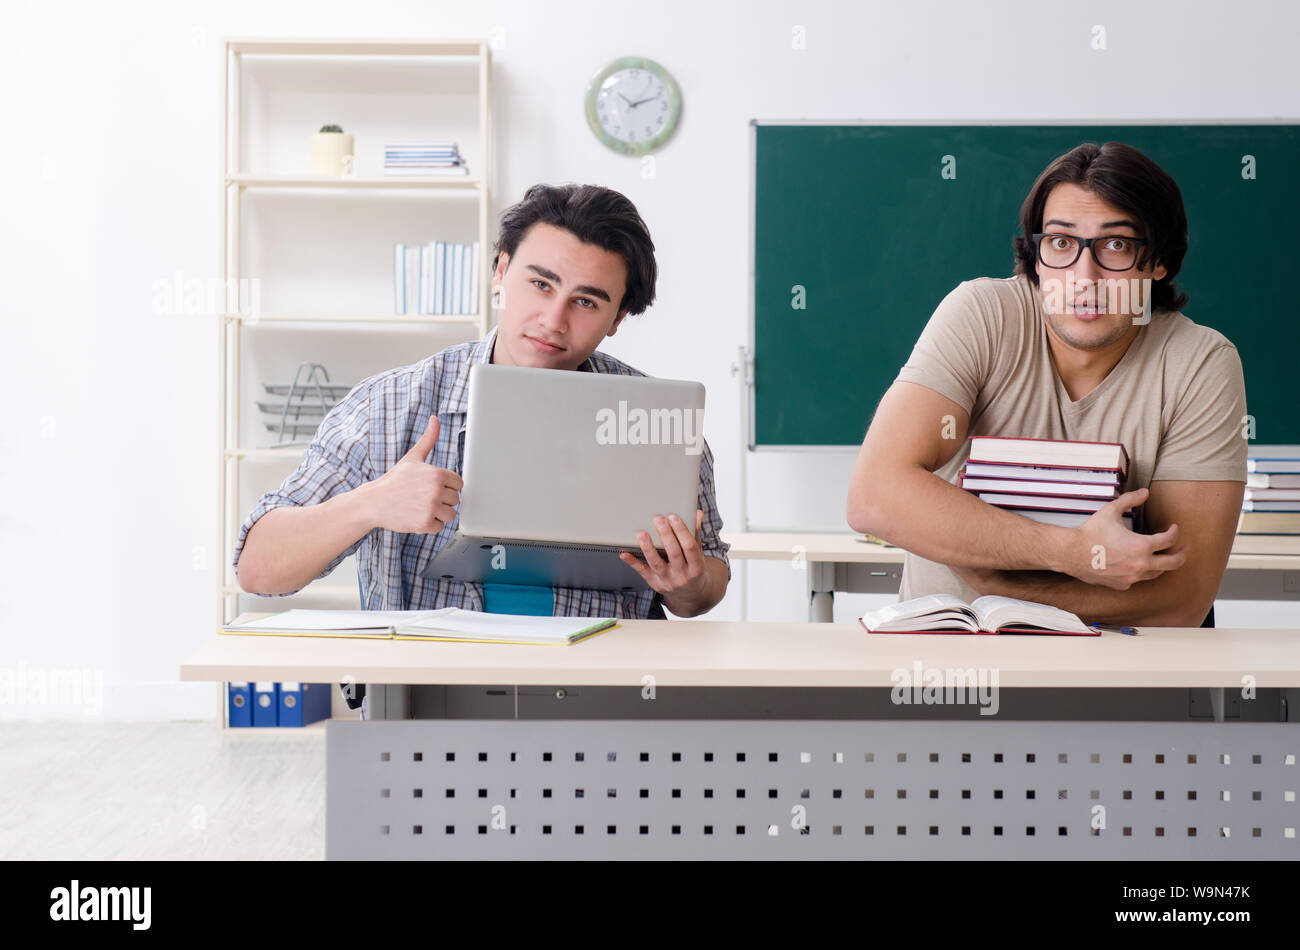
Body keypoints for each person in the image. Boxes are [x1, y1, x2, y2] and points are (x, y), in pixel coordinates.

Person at [234, 183, 730, 623]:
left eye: (585, 302)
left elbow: (703, 588)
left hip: (600, 700)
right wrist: (370, 504)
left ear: (617, 318)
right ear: (501, 271)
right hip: (430, 701)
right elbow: (258, 569)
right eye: (541, 284)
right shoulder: (390, 406)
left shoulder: (657, 425)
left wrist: (687, 585)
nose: (553, 320)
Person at [846, 142, 1246, 627]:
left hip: (1118, 681)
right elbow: (873, 497)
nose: (1084, 276)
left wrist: (1006, 587)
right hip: (947, 662)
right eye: (1061, 243)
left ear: (1158, 260)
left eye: (1116, 245)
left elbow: (1182, 599)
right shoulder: (981, 314)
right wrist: (1072, 553)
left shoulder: (1200, 362)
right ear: (1036, 256)